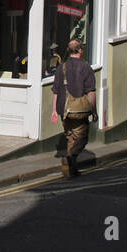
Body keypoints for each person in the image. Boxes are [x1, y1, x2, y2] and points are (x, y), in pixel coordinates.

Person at [51, 39, 96, 178]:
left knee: (70, 137)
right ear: (80, 50)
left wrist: (54, 110)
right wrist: (93, 110)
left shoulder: (61, 68)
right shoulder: (86, 67)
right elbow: (91, 92)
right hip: (79, 110)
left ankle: (72, 170)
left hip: (64, 109)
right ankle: (70, 158)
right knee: (81, 138)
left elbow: (56, 91)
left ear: (69, 51)